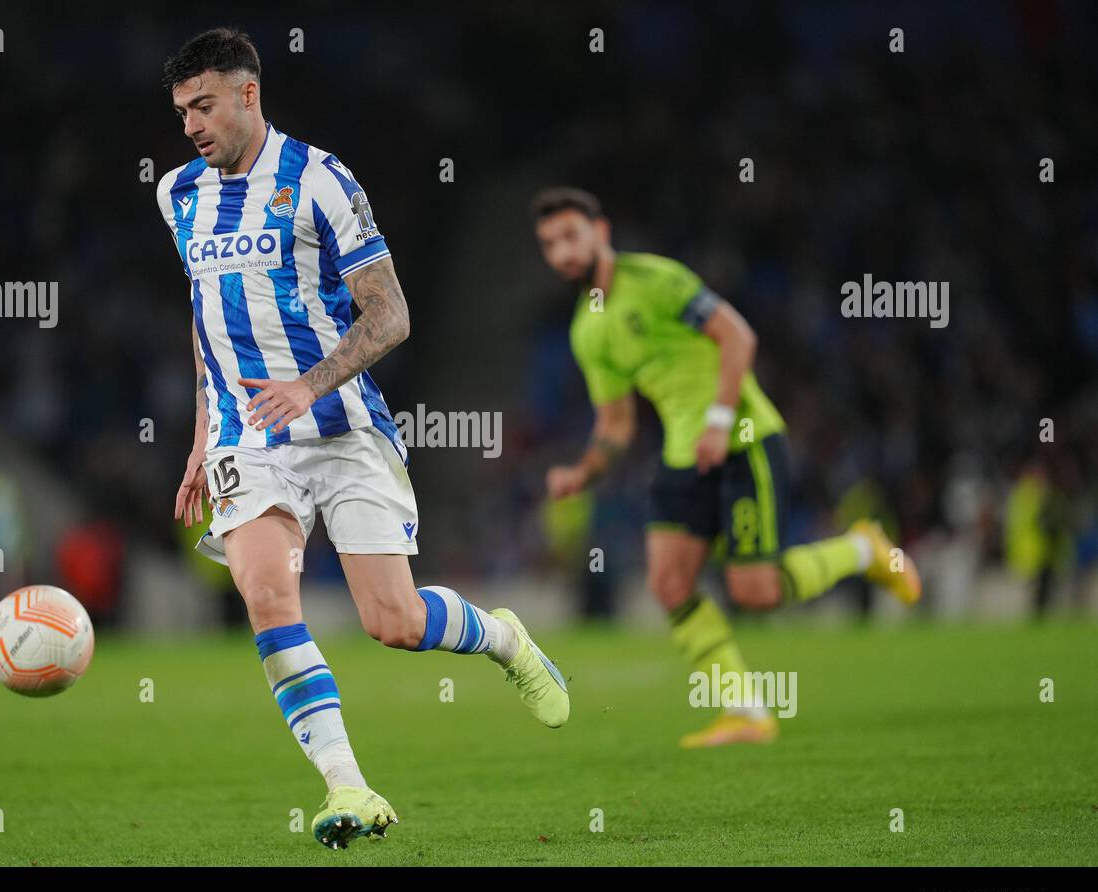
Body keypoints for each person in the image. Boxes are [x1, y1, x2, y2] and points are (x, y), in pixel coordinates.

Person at [157, 28, 569, 850]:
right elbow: (206, 323)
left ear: (247, 94)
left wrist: (308, 385)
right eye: (180, 111)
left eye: (203, 105)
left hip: (342, 429)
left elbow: (392, 314)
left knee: (395, 621)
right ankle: (348, 787)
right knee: (266, 594)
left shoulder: (320, 180)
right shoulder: (178, 194)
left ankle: (504, 638)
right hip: (249, 437)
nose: (191, 126)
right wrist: (205, 437)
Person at [532, 187, 920, 747]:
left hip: (742, 438)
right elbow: (616, 425)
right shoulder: (587, 330)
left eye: (571, 235)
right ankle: (746, 712)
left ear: (602, 231)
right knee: (669, 584)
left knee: (756, 591)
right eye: (550, 244)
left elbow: (738, 336)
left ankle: (865, 547)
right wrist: (582, 472)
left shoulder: (657, 279)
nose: (563, 251)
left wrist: (718, 420)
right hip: (682, 456)